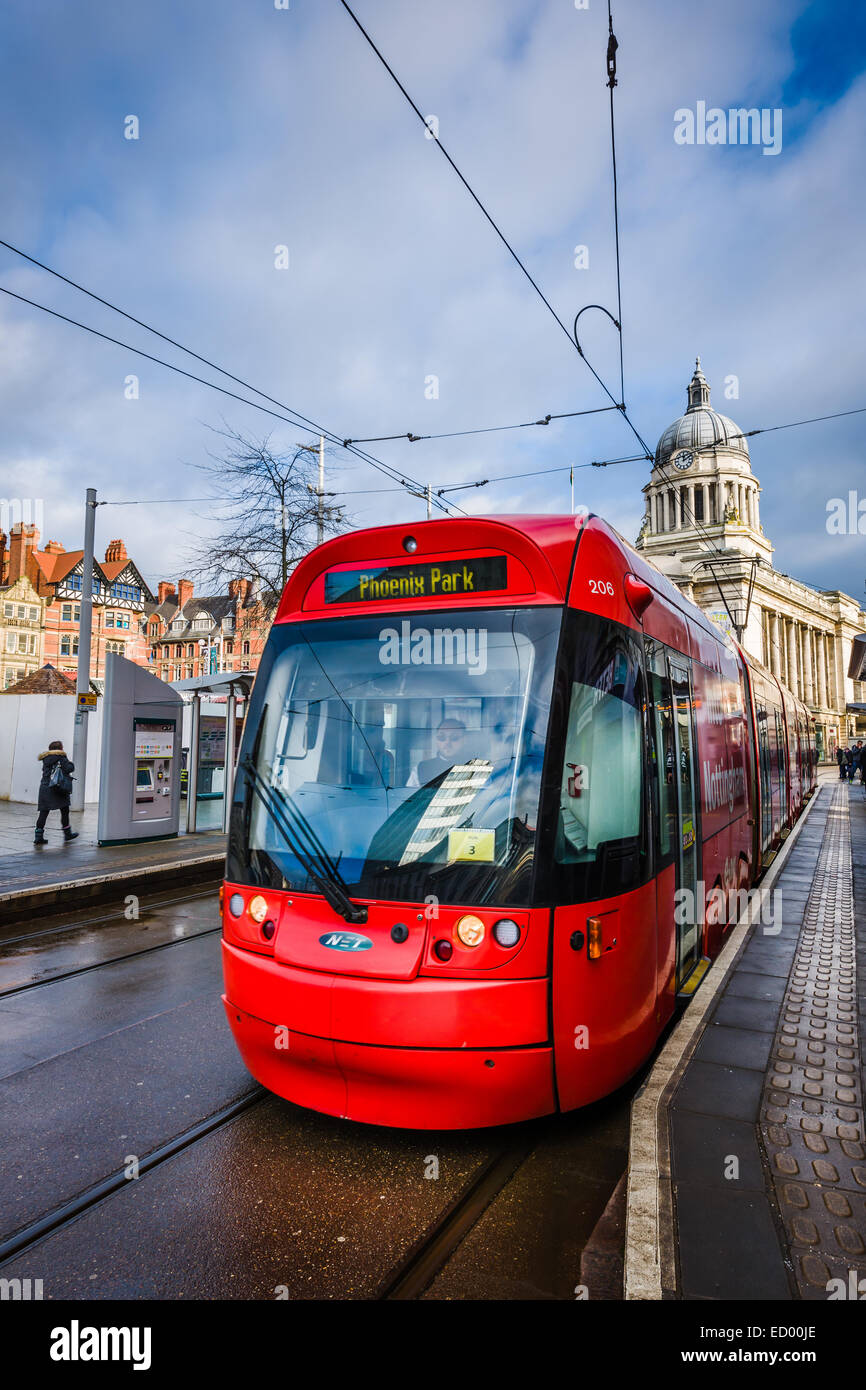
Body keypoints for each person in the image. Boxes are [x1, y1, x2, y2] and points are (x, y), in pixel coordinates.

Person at [35, 740, 78, 845]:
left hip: (45, 788)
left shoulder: (45, 758)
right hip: (58, 788)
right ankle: (67, 833)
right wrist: (70, 762)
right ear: (60, 748)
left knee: (43, 812)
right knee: (64, 810)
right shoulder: (61, 757)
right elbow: (69, 768)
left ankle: (38, 837)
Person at [406, 719, 467, 787]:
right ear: (436, 740)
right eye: (441, 737)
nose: (447, 743)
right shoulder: (421, 768)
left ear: (464, 740)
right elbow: (409, 795)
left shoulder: (474, 766)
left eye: (454, 738)